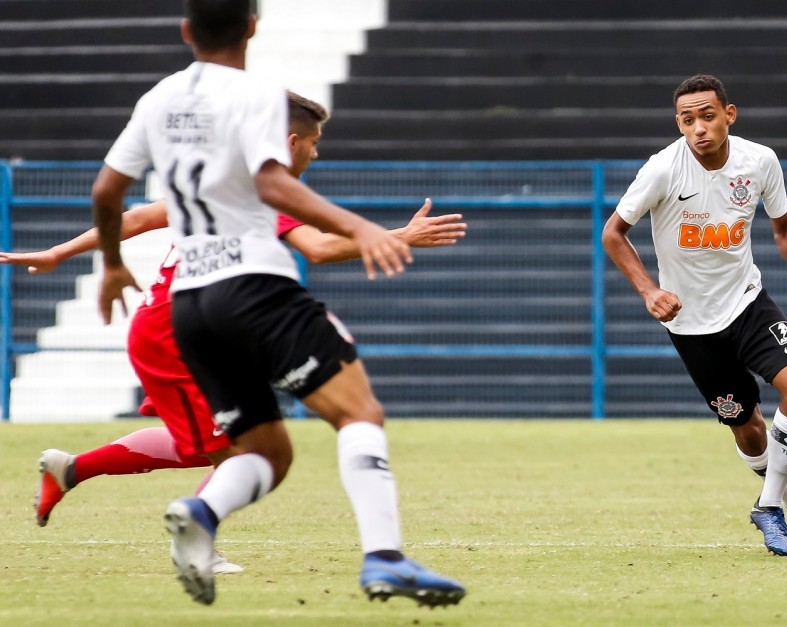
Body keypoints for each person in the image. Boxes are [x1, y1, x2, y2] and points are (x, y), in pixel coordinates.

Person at [89, 0, 465, 607]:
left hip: (189, 303)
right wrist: (366, 227)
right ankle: (386, 559)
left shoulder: (158, 99)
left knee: (268, 450)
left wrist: (109, 264)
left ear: (187, 31)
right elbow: (272, 185)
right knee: (358, 414)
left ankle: (200, 512)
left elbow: (108, 190)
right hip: (254, 286)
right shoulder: (257, 96)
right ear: (253, 28)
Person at [0, 93, 466, 576]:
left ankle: (72, 470)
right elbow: (321, 248)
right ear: (290, 142)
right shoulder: (263, 188)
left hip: (197, 326)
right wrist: (399, 238)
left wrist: (59, 252)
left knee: (209, 444)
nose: (316, 153)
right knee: (242, 450)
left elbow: (136, 218)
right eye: (314, 142)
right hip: (175, 335)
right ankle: (195, 541)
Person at [602, 74, 787, 557]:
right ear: (678, 124)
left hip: (748, 304)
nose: (698, 128)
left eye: (707, 116)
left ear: (730, 114)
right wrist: (648, 290)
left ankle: (767, 506)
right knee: (748, 428)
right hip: (690, 325)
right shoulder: (662, 169)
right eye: (687, 120)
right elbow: (613, 234)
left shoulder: (760, 161)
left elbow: (785, 227)